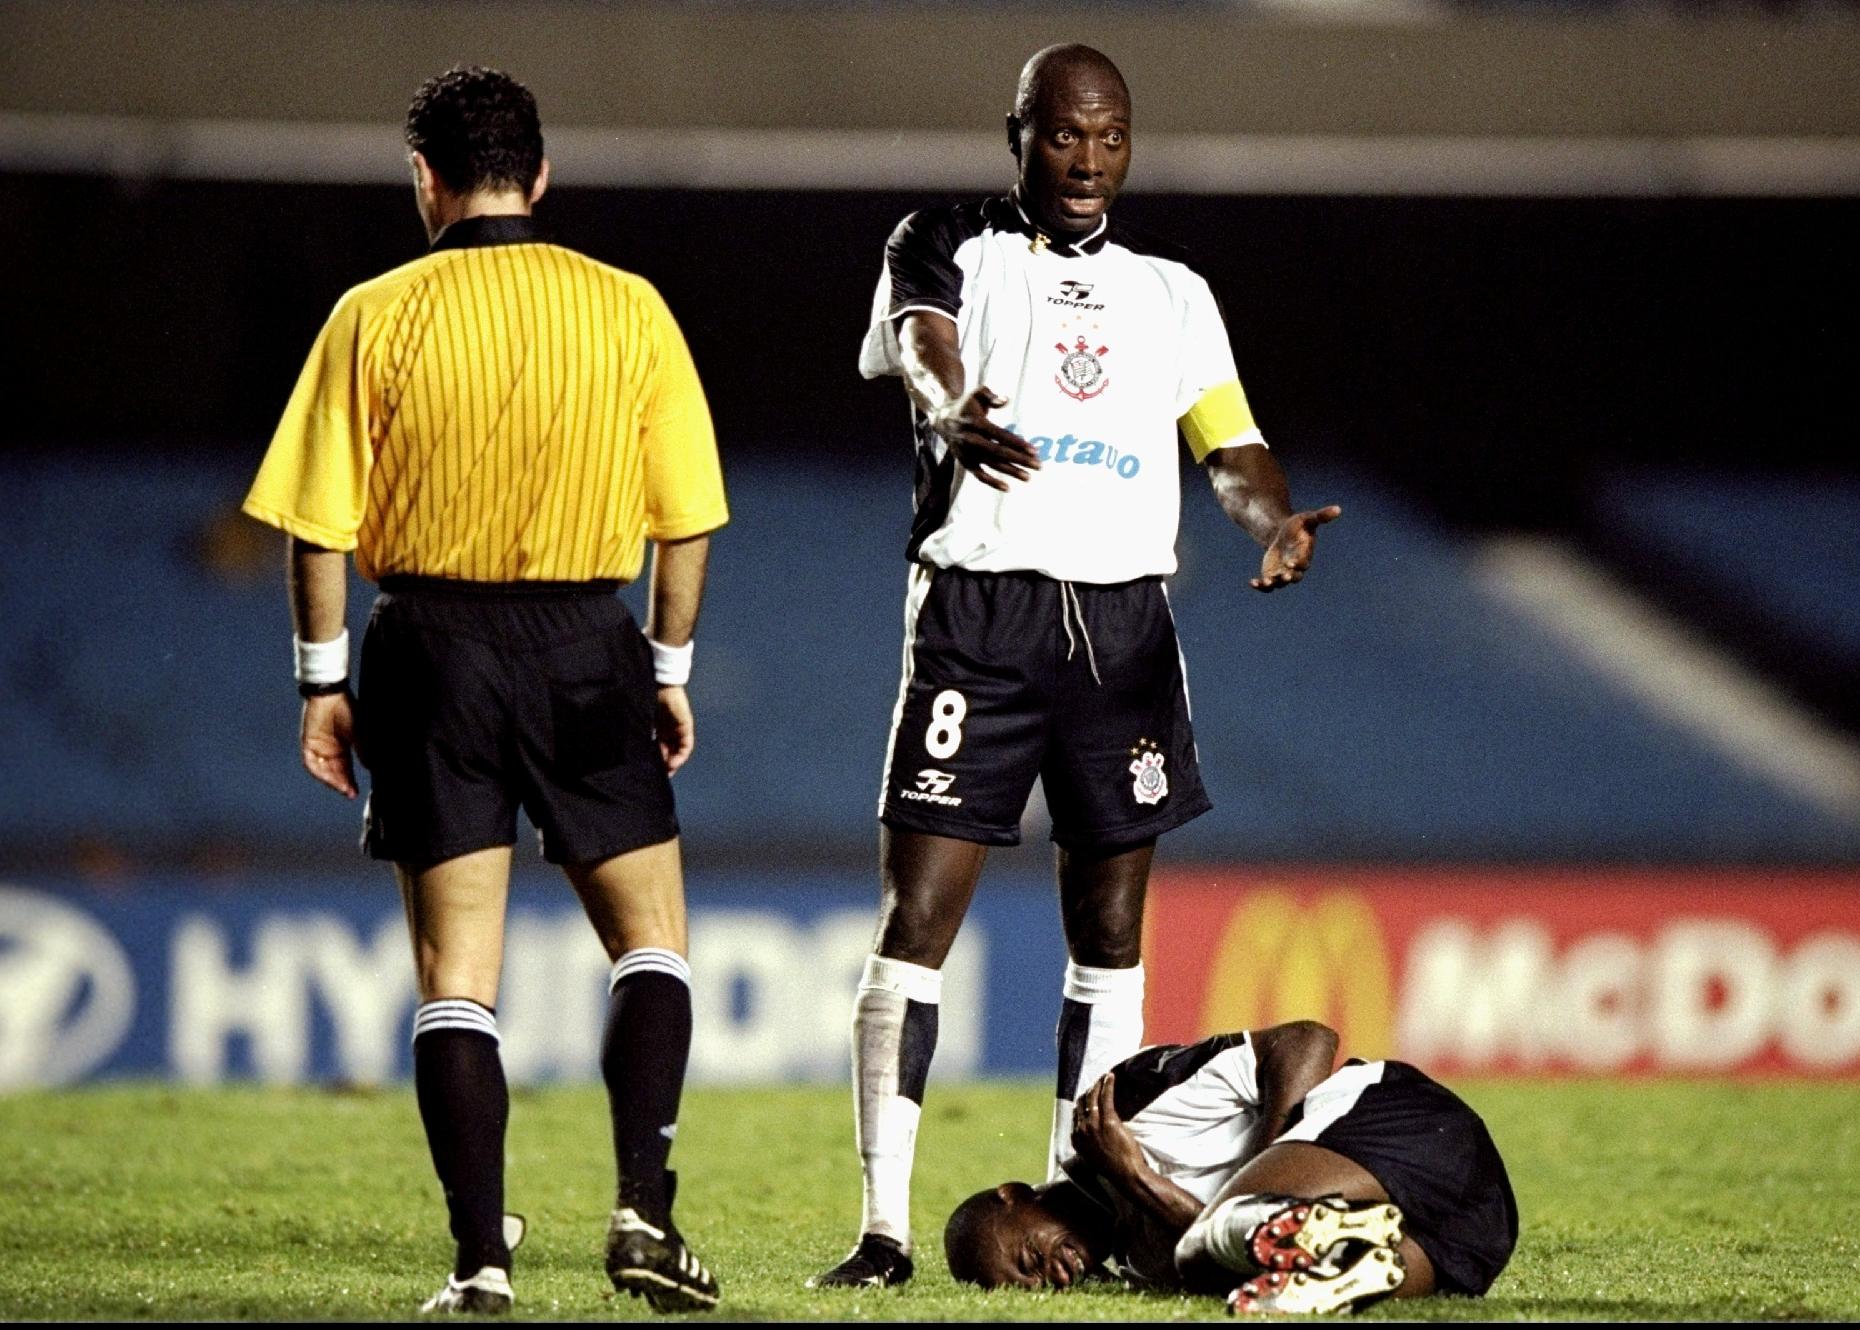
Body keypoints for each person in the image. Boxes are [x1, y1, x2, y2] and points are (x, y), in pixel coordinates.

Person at [811, 43, 1341, 1288]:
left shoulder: (1175, 292)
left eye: (1110, 138)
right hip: (978, 617)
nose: (1089, 160)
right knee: (918, 919)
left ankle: (1079, 1200)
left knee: (1108, 930)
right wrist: (948, 409)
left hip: (1123, 636)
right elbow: (923, 336)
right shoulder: (942, 238)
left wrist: (1269, 525)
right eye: (1064, 136)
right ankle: (883, 1229)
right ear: (1018, 135)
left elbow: (1230, 440)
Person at [241, 67, 726, 1316]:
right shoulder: (630, 310)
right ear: (542, 173)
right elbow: (688, 525)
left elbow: (316, 527)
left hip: (430, 648)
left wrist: (322, 684)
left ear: (427, 179)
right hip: (583, 639)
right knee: (652, 941)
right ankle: (642, 1209)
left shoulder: (374, 313)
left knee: (458, 974)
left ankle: (481, 1263)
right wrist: (666, 669)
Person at [943, 1021, 1518, 1315]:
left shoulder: (1122, 1106)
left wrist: (1267, 1163)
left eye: (1027, 1259)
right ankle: (1350, 1258)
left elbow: (1306, 1041)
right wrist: (1139, 1183)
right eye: (1040, 1287)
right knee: (1264, 1287)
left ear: (1012, 1195)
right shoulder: (1143, 1271)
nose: (1052, 1275)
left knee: (1204, 1251)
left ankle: (1314, 1223)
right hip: (1475, 1226)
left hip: (1398, 1123)